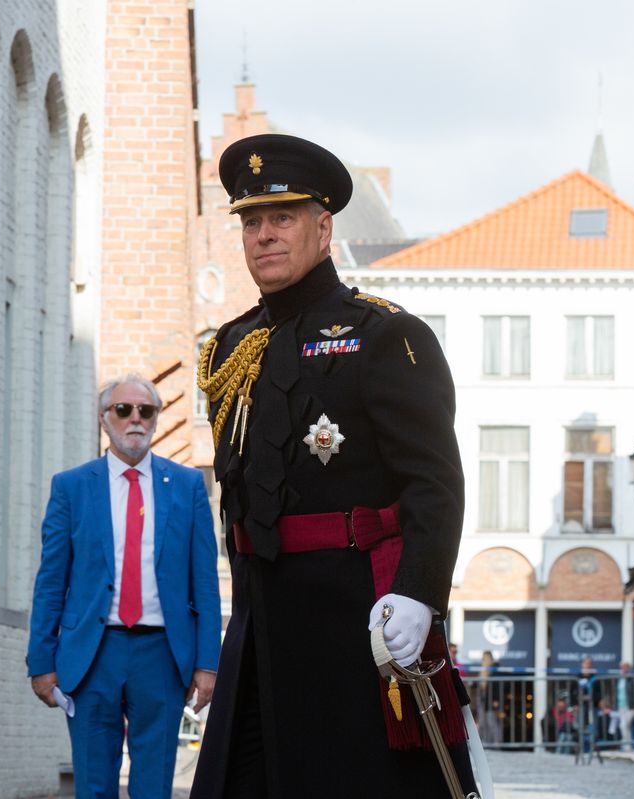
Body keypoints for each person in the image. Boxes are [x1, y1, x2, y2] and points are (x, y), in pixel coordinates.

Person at [189, 133, 477, 797]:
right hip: (261, 618)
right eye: (252, 221)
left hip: (354, 616)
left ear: (323, 226)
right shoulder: (232, 348)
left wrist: (419, 592)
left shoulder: (383, 335)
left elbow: (435, 481)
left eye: (282, 218)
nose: (263, 235)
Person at [27, 374, 221, 799]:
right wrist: (41, 660)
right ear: (104, 419)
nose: (135, 418)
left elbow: (205, 582)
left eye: (145, 410)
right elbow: (51, 580)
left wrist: (208, 664)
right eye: (123, 409)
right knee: (94, 784)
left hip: (162, 654)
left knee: (154, 785)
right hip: (94, 653)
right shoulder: (72, 486)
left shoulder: (187, 486)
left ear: (155, 419)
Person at [615, 661, 634, 749]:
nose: (623, 669)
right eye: (622, 667)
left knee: (623, 725)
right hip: (621, 705)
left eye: (625, 667)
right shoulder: (619, 678)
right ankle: (626, 745)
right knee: (625, 726)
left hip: (631, 705)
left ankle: (627, 745)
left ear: (629, 668)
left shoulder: (633, 678)